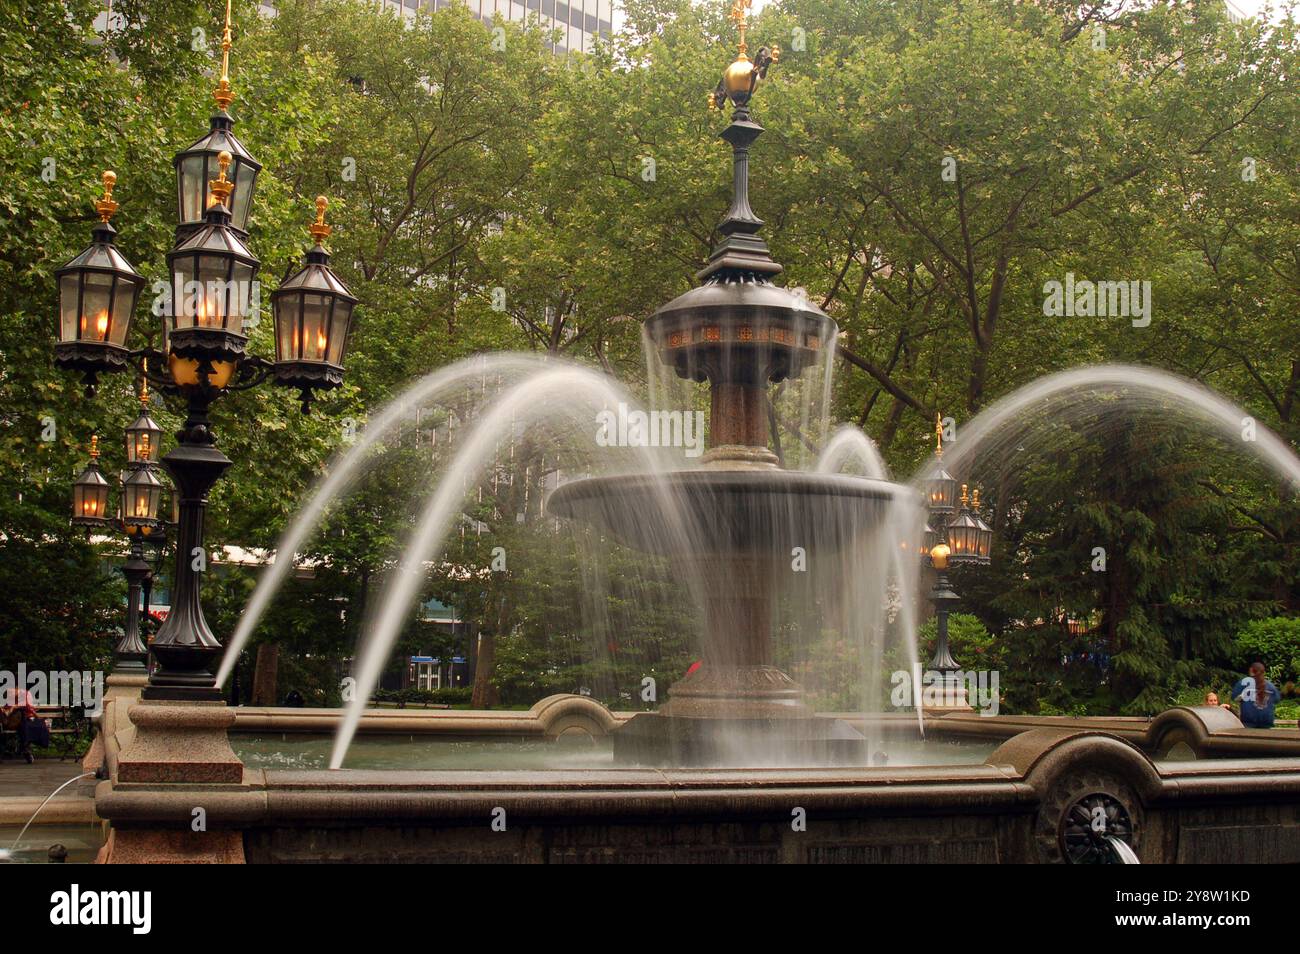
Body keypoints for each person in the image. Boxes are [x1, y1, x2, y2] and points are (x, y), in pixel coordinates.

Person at [1230, 662, 1281, 729]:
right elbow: (1277, 700)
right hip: (1266, 722)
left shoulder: (1244, 683)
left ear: (1251, 671)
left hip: (1248, 722)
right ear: (1264, 672)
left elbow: (1233, 697)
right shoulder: (1271, 687)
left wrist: (1243, 697)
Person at [0, 686, 38, 763]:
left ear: (16, 689)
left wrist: (14, 707)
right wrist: (4, 710)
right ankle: (24, 749)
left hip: (26, 719)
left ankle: (25, 749)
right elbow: (7, 707)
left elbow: (29, 707)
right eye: (8, 694)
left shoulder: (27, 694)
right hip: (12, 721)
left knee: (22, 717)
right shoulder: (11, 696)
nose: (9, 696)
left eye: (10, 693)